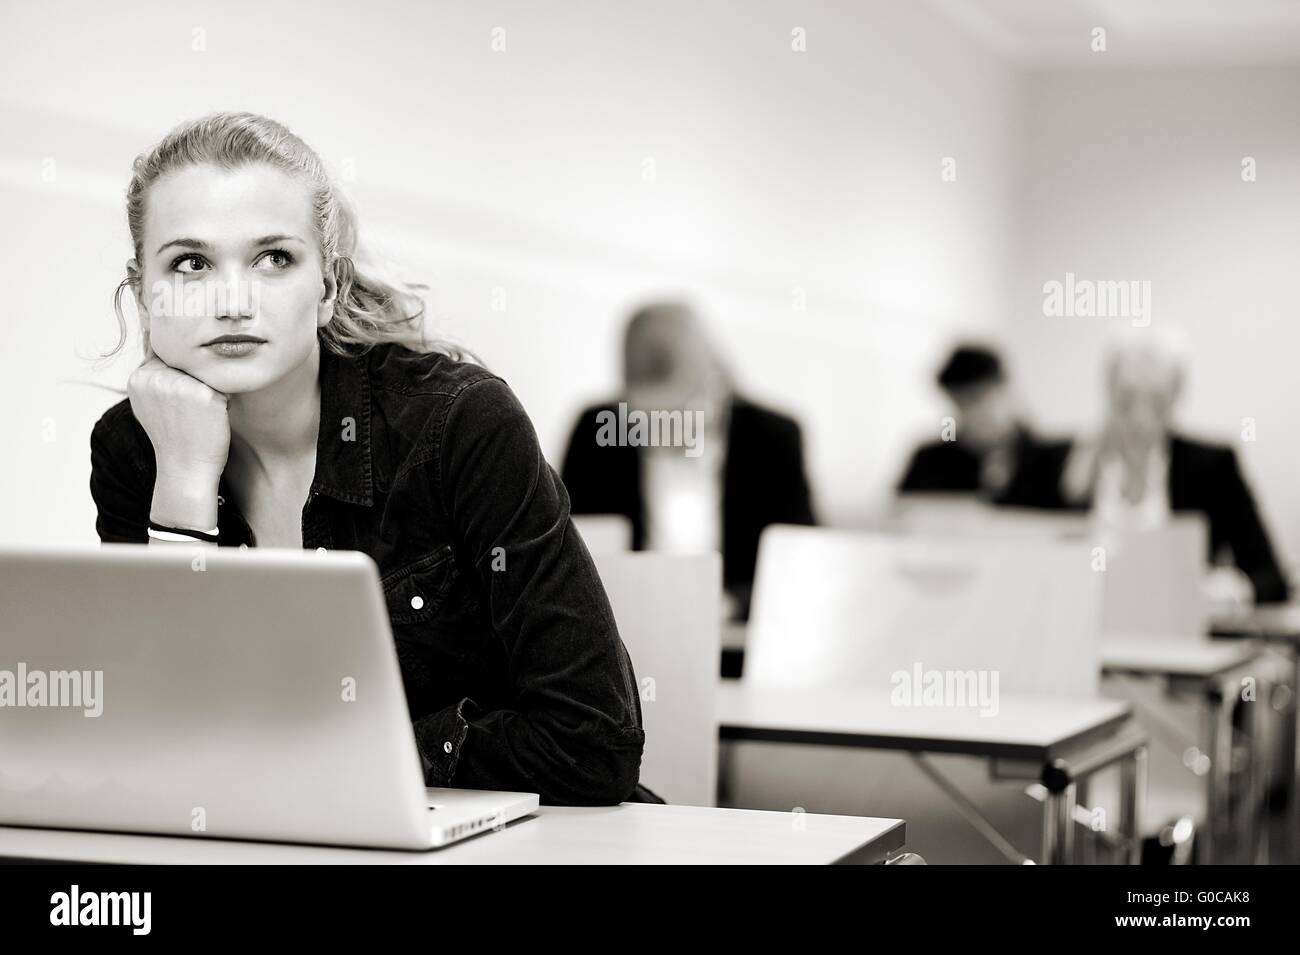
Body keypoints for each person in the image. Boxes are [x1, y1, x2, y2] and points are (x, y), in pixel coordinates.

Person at [88, 112, 651, 805]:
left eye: (274, 258)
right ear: (144, 289)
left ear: (326, 287)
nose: (233, 300)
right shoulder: (133, 449)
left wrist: (339, 756)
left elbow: (593, 742)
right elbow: (166, 744)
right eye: (191, 263)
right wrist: (182, 482)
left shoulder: (459, 423)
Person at [561, 302, 815, 624]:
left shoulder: (773, 439)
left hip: (739, 641)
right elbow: (565, 555)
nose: (662, 432)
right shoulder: (597, 431)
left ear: (716, 385)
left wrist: (731, 605)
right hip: (622, 639)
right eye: (645, 418)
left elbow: (802, 568)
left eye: (678, 412)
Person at [1059, 325, 1290, 604]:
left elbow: (1271, 577)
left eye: (1157, 403)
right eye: (1126, 400)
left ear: (1177, 396)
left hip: (1176, 638)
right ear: (1108, 391)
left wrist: (1227, 589)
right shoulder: (1061, 462)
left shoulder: (1212, 467)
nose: (1140, 418)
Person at [898, 343, 1069, 507]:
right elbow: (898, 515)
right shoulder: (929, 458)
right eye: (959, 402)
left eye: (978, 398)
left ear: (1006, 391)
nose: (972, 413)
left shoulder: (1052, 457)